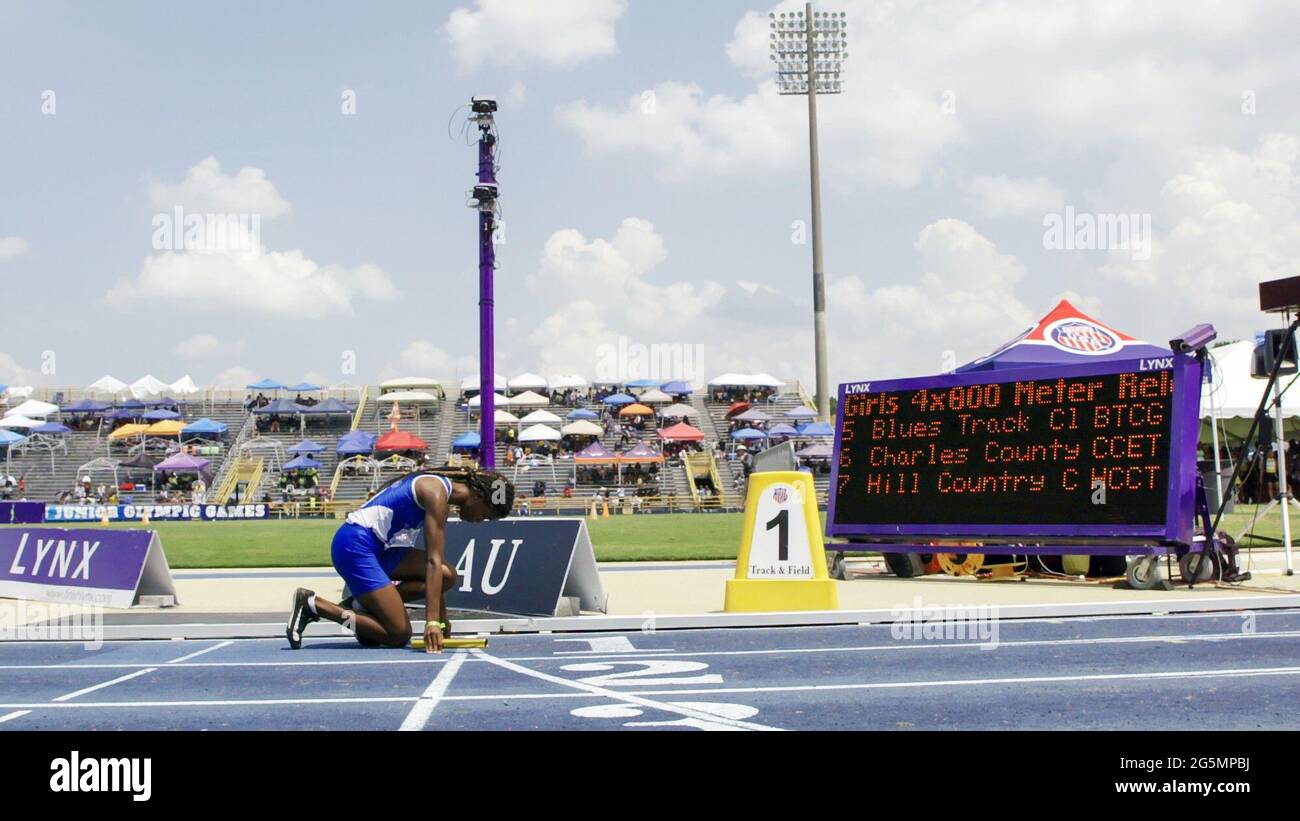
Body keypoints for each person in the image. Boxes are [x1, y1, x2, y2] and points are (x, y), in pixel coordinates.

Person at [286, 466, 515, 652]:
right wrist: (432, 623)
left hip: (381, 549)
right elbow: (432, 562)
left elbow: (435, 571)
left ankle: (362, 607)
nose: (480, 520)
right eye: (486, 514)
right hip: (354, 546)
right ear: (479, 496)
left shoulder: (440, 490)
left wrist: (443, 623)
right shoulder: (436, 495)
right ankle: (316, 606)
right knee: (398, 634)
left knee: (448, 575)